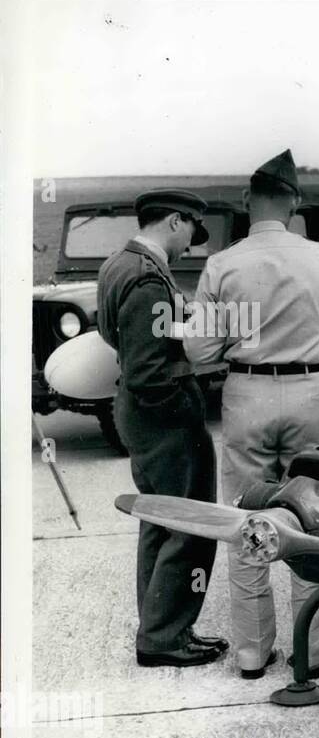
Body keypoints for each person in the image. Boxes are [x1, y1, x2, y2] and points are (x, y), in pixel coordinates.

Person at [184, 149, 319, 677]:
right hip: (309, 393)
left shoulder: (221, 263)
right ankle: (315, 648)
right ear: (294, 204)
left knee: (246, 520)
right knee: (313, 518)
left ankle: (252, 652)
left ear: (247, 202)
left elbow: (201, 352)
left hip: (247, 395)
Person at [99, 189, 228, 665]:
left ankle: (159, 628)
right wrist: (186, 408)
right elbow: (148, 373)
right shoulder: (147, 278)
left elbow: (115, 337)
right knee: (188, 525)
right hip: (165, 420)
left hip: (140, 414)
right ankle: (166, 638)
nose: (192, 244)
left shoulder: (119, 264)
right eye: (193, 231)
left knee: (159, 522)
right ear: (176, 221)